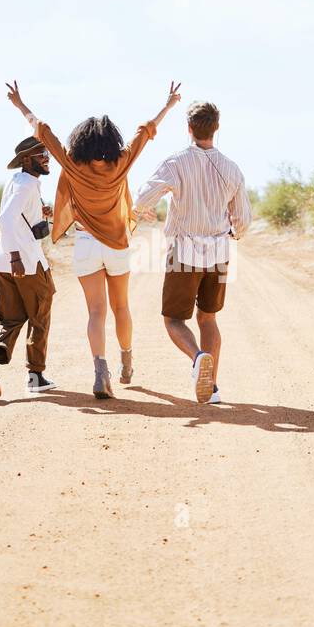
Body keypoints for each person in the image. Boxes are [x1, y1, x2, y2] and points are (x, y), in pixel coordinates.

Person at [6, 80, 181, 399]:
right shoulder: (121, 162)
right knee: (121, 306)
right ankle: (127, 362)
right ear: (111, 141)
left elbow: (43, 131)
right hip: (117, 246)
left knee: (96, 312)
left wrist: (20, 104)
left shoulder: (72, 164)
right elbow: (146, 132)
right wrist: (168, 105)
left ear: (80, 142)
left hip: (85, 246)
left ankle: (101, 371)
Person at [133, 100, 251, 405]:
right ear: (217, 128)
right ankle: (210, 388)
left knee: (173, 319)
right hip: (220, 253)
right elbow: (243, 221)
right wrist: (230, 233)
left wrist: (143, 210)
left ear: (189, 129)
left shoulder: (176, 162)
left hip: (184, 252)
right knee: (208, 318)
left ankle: (198, 358)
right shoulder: (232, 168)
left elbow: (144, 197)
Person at [0, 136, 56, 398]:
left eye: (46, 153)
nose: (47, 157)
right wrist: (16, 256)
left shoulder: (17, 182)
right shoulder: (27, 186)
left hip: (4, 263)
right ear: (25, 160)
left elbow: (20, 220)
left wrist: (40, 214)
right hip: (26, 262)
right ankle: (36, 375)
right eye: (40, 154)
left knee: (13, 318)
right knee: (40, 312)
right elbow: (5, 219)